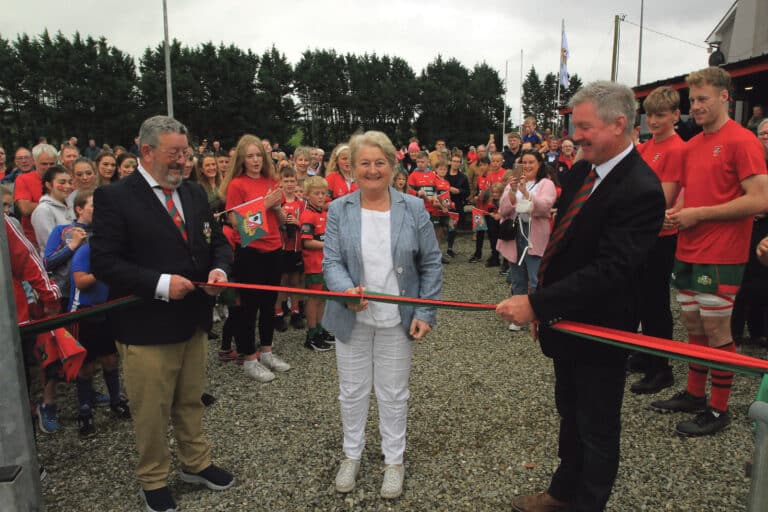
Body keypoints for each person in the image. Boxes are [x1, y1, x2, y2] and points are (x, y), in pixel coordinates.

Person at [497, 81, 665, 512]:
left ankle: (588, 503)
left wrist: (536, 303)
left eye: (586, 127)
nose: (577, 136)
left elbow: (610, 271)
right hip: (566, 322)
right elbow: (562, 248)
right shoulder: (581, 172)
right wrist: (546, 308)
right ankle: (562, 492)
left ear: (619, 124)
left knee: (597, 425)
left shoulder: (641, 189)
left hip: (602, 329)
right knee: (569, 413)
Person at [90, 115, 234, 512]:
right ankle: (153, 478)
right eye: (175, 153)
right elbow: (104, 262)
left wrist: (219, 270)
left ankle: (195, 463)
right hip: (146, 326)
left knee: (190, 400)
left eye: (186, 153)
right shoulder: (115, 197)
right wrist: (159, 283)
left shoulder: (193, 193)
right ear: (147, 151)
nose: (183, 161)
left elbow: (217, 243)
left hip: (192, 321)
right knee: (151, 410)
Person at [323, 130, 442, 499]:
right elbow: (331, 262)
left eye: (379, 162)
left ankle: (394, 461)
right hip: (352, 319)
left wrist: (425, 310)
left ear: (392, 165)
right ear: (352, 167)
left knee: (393, 393)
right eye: (364, 163)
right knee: (352, 391)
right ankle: (352, 455)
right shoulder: (338, 209)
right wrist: (346, 291)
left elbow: (431, 263)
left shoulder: (414, 208)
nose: (372, 170)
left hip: (396, 319)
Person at [651, 67, 768, 436]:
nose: (696, 106)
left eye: (703, 99)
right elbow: (683, 194)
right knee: (694, 325)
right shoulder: (692, 146)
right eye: (693, 100)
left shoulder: (742, 140)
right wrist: (673, 213)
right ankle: (694, 393)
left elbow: (760, 199)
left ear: (724, 97)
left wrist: (698, 214)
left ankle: (719, 409)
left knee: (717, 329)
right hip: (688, 247)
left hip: (722, 253)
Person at [629, 86, 687, 395]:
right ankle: (646, 352)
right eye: (649, 115)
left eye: (660, 115)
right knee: (639, 298)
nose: (653, 121)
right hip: (642, 232)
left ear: (676, 115)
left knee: (655, 302)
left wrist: (633, 208)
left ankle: (661, 367)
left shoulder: (677, 149)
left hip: (661, 236)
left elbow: (662, 198)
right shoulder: (645, 148)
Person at [220, 134, 290, 383]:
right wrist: (264, 205)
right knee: (248, 307)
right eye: (250, 156)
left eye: (259, 155)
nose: (255, 160)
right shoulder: (237, 185)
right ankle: (249, 358)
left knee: (269, 304)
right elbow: (235, 223)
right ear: (242, 159)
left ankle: (267, 351)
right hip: (250, 251)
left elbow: (281, 221)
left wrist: (277, 207)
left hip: (274, 248)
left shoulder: (271, 181)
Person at [67, 191, 130, 437]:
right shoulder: (86, 250)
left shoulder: (114, 250)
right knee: (86, 365)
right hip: (84, 313)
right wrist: (105, 271)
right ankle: (84, 410)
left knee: (110, 358)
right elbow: (80, 281)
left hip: (107, 310)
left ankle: (116, 399)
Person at [498, 150, 557, 331]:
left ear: (539, 164)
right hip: (515, 234)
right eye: (524, 162)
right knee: (517, 277)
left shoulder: (546, 183)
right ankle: (518, 317)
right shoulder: (513, 183)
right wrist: (513, 191)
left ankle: (539, 316)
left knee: (536, 278)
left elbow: (545, 207)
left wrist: (526, 193)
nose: (527, 165)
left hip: (534, 235)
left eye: (531, 162)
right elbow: (503, 210)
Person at [300, 175, 335, 351]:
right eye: (317, 193)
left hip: (325, 263)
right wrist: (329, 245)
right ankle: (311, 334)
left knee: (323, 298)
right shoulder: (308, 215)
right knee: (314, 299)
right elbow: (306, 242)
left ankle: (320, 329)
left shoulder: (323, 213)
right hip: (313, 264)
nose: (321, 196)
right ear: (307, 195)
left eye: (323, 193)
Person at [274, 167, 306, 333]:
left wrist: (298, 223)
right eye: (286, 181)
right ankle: (278, 313)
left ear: (296, 181)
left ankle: (295, 311)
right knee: (282, 281)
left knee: (295, 280)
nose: (289, 184)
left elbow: (308, 225)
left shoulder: (302, 203)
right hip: (281, 247)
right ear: (280, 182)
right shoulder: (277, 202)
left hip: (296, 247)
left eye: (292, 180)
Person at [15, 144, 57, 246]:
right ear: (34, 161)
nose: (48, 167)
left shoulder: (63, 179)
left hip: (61, 238)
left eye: (52, 164)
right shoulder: (23, 179)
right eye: (44, 164)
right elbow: (25, 209)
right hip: (35, 241)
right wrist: (56, 204)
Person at [446, 152, 469, 257]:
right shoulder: (444, 174)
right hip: (443, 205)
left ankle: (449, 249)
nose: (455, 163)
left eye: (458, 162)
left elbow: (467, 192)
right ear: (450, 162)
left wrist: (459, 191)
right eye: (454, 161)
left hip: (457, 205)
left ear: (460, 163)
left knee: (452, 228)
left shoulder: (463, 177)